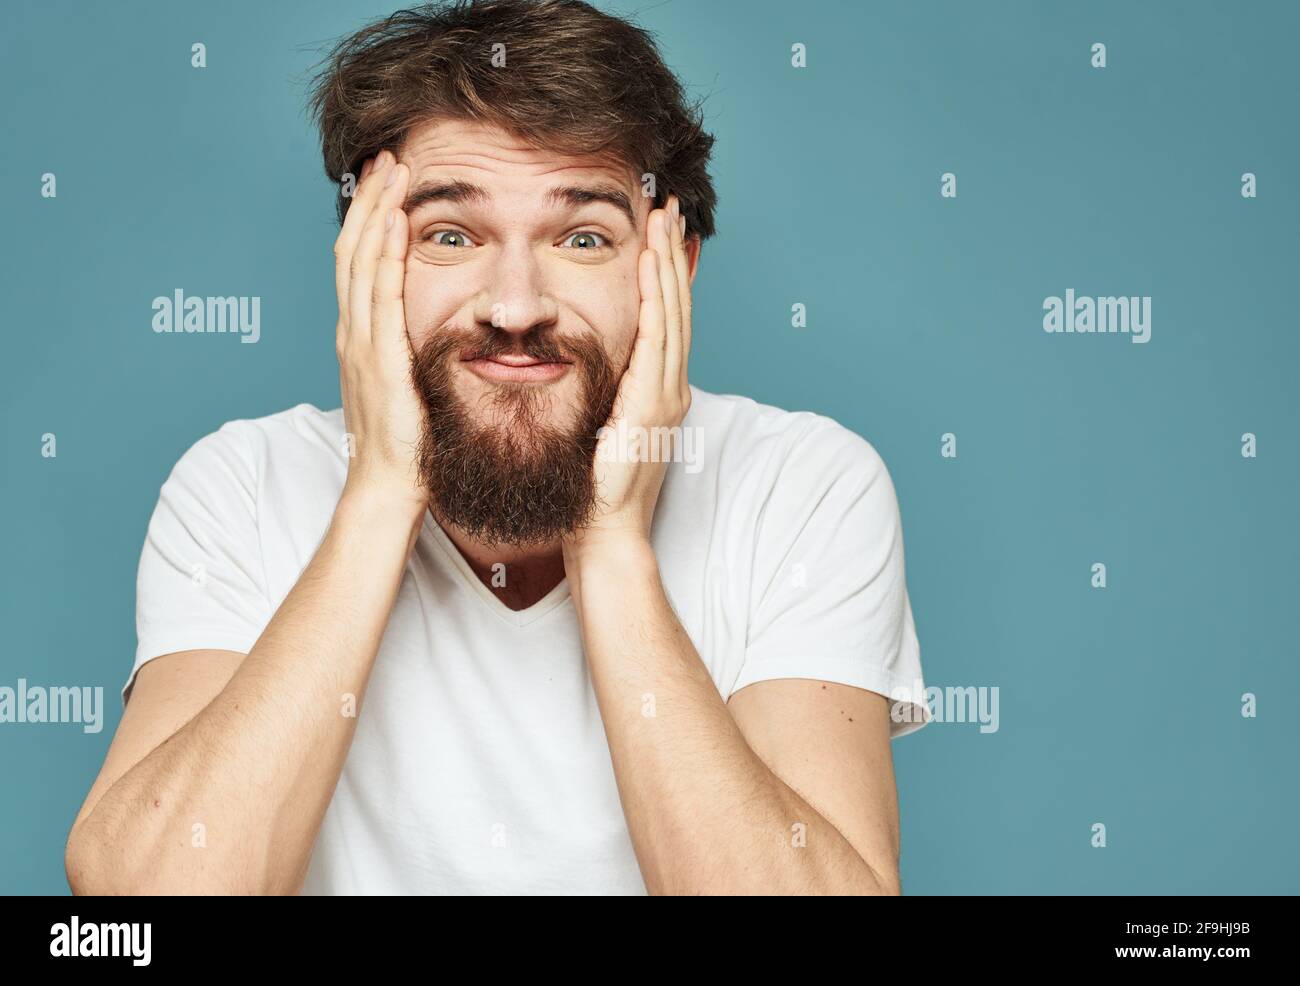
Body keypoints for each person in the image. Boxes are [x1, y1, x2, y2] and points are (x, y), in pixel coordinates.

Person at [65, 0, 928, 895]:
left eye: (583, 237)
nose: (515, 306)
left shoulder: (804, 486)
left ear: (675, 269)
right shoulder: (240, 485)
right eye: (450, 235)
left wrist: (611, 538)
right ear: (365, 259)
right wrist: (380, 494)